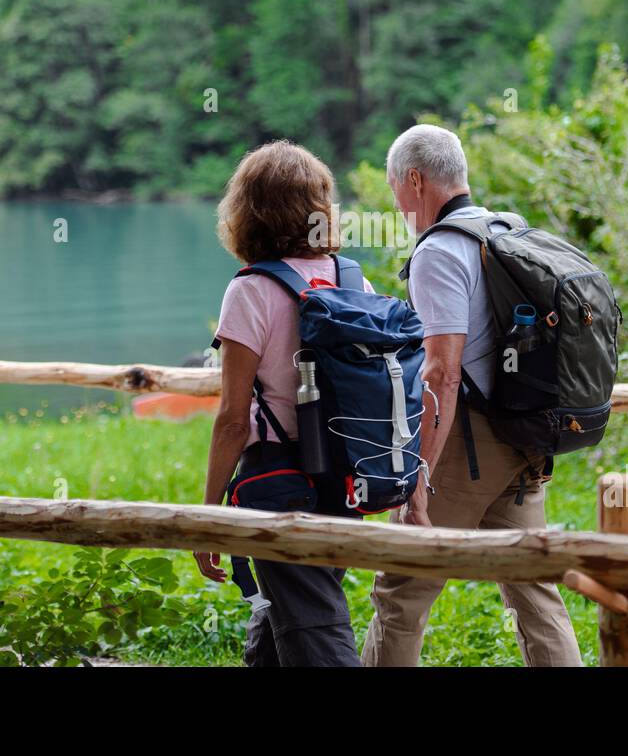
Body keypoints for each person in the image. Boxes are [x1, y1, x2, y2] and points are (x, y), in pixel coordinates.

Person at [361, 124, 584, 667]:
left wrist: (420, 475)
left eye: (395, 189)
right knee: (533, 586)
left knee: (402, 588)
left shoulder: (440, 251)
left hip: (467, 445)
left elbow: (442, 374)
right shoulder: (505, 230)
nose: (397, 204)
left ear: (413, 179)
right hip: (524, 437)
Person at [193, 140, 373, 666]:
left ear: (247, 211)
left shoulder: (251, 290)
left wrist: (207, 512)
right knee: (283, 614)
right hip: (343, 479)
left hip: (275, 481)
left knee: (314, 627)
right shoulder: (351, 278)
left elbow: (231, 420)